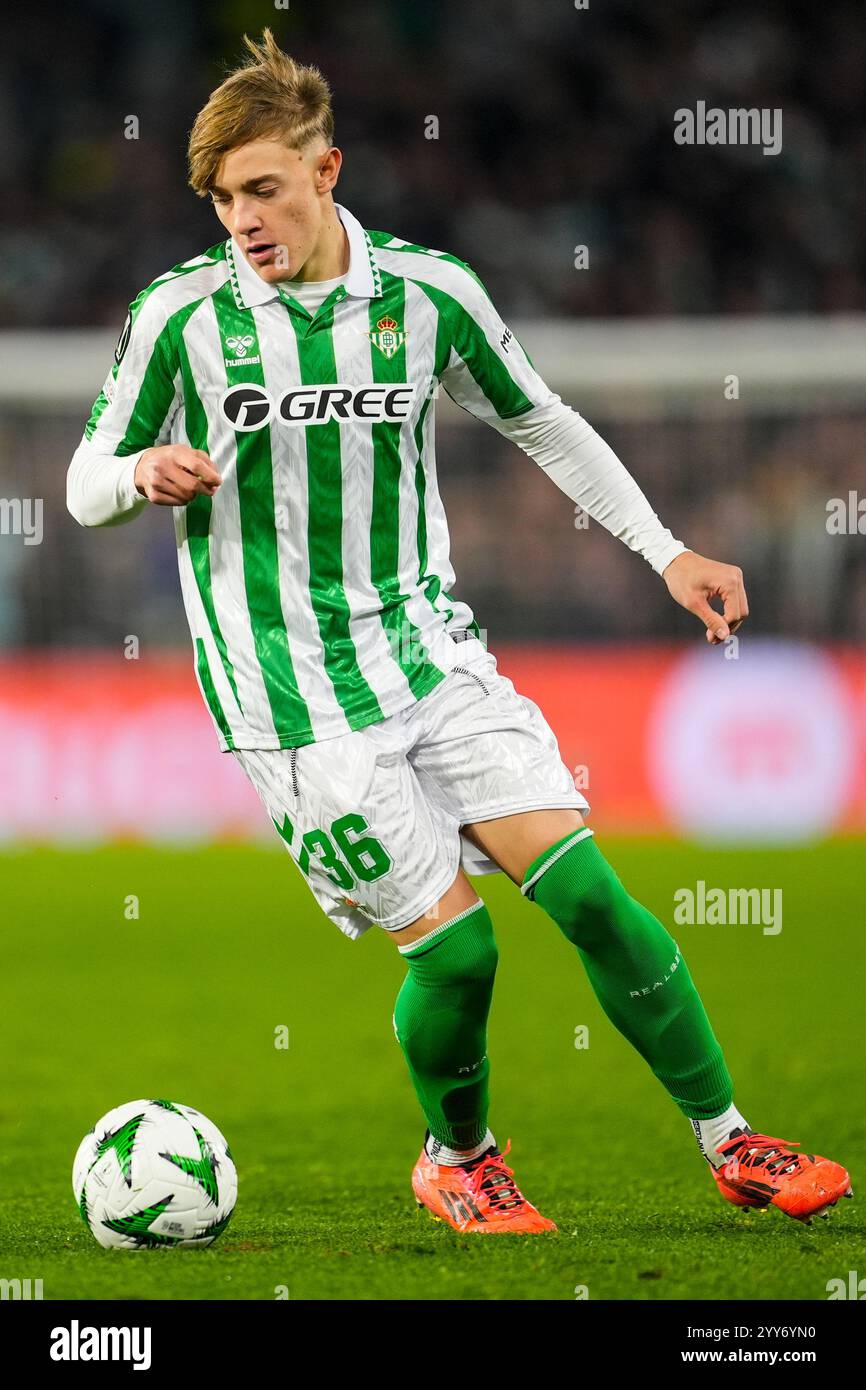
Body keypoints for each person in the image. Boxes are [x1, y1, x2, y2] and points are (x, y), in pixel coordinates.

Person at [67, 30, 850, 1234]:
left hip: (431, 654)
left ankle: (731, 1139)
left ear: (326, 173)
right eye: (224, 199)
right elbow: (78, 481)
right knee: (459, 957)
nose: (243, 221)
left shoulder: (429, 296)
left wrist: (668, 551)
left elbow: (544, 421)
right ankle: (460, 1156)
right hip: (291, 698)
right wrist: (140, 472)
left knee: (589, 894)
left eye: (264, 189)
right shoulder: (180, 318)